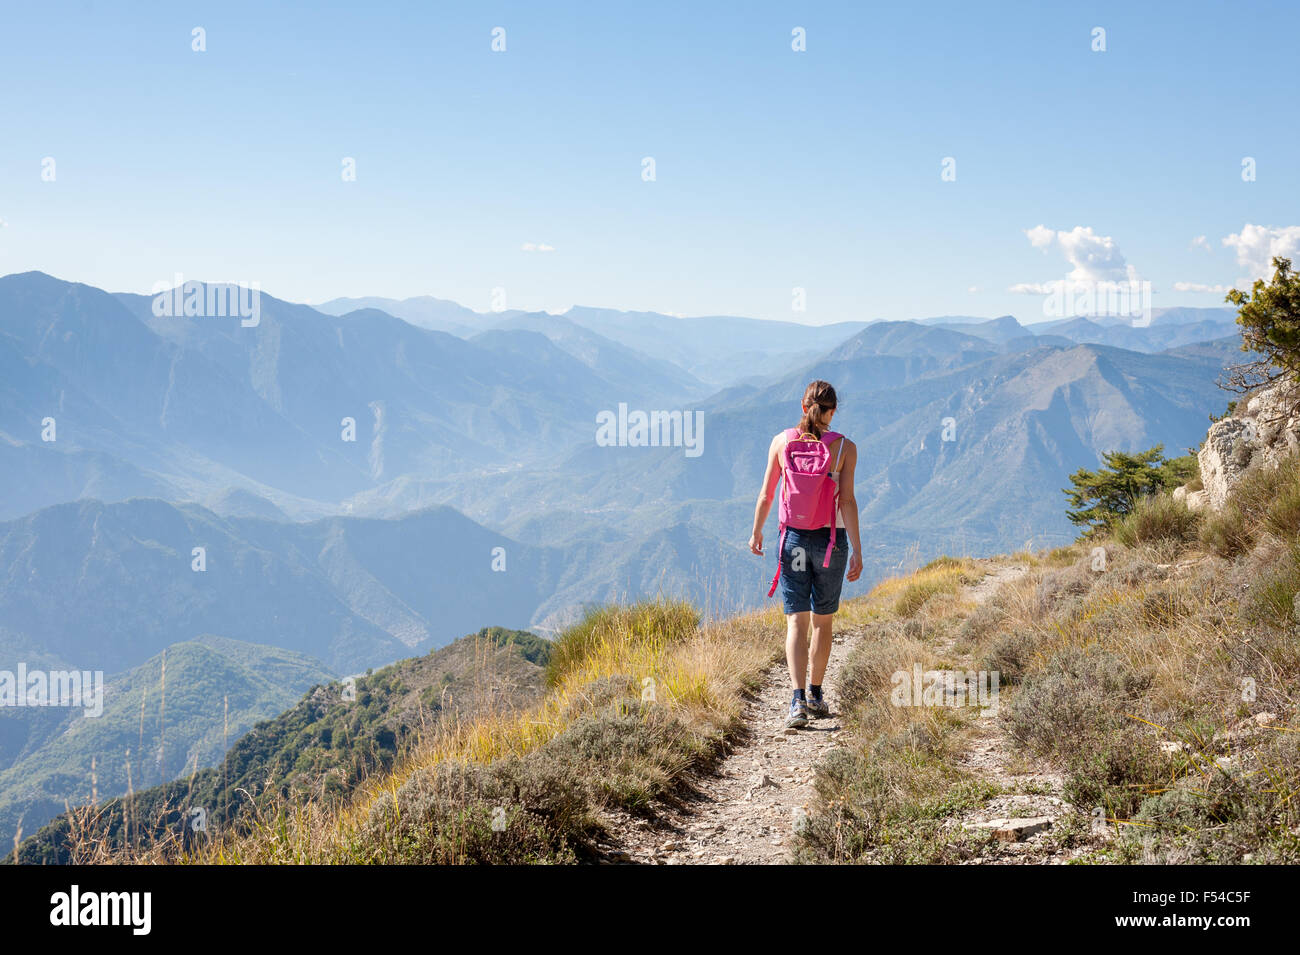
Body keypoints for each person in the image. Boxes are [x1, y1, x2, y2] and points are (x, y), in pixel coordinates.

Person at [748, 380, 863, 728]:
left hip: (793, 542)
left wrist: (756, 530)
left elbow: (767, 494)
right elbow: (846, 501)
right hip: (831, 543)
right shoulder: (845, 448)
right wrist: (857, 548)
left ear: (803, 406)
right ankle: (815, 693)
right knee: (822, 621)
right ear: (832, 412)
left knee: (796, 621)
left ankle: (796, 701)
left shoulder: (781, 442)